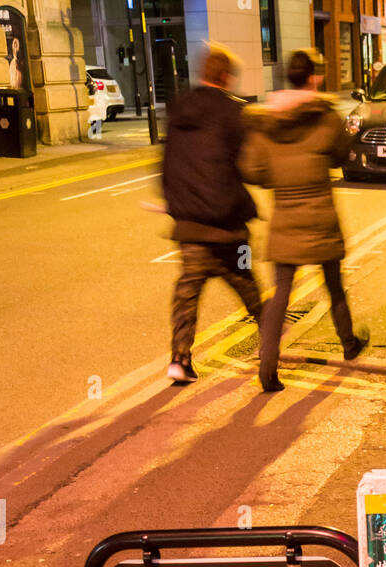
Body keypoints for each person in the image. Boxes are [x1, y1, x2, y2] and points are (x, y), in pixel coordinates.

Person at [244, 49, 368, 393]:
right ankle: (348, 343)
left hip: (285, 218)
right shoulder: (325, 115)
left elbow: (253, 170)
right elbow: (342, 155)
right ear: (312, 77)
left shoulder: (266, 121)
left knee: (280, 293)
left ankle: (268, 367)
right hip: (320, 217)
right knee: (333, 283)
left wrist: (277, 177)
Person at [161, 45, 262, 385]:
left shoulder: (180, 110)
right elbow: (247, 167)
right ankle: (271, 342)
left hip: (189, 225)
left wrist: (175, 204)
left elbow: (166, 164)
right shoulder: (232, 114)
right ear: (226, 77)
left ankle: (180, 358)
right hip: (228, 227)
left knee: (187, 292)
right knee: (248, 284)